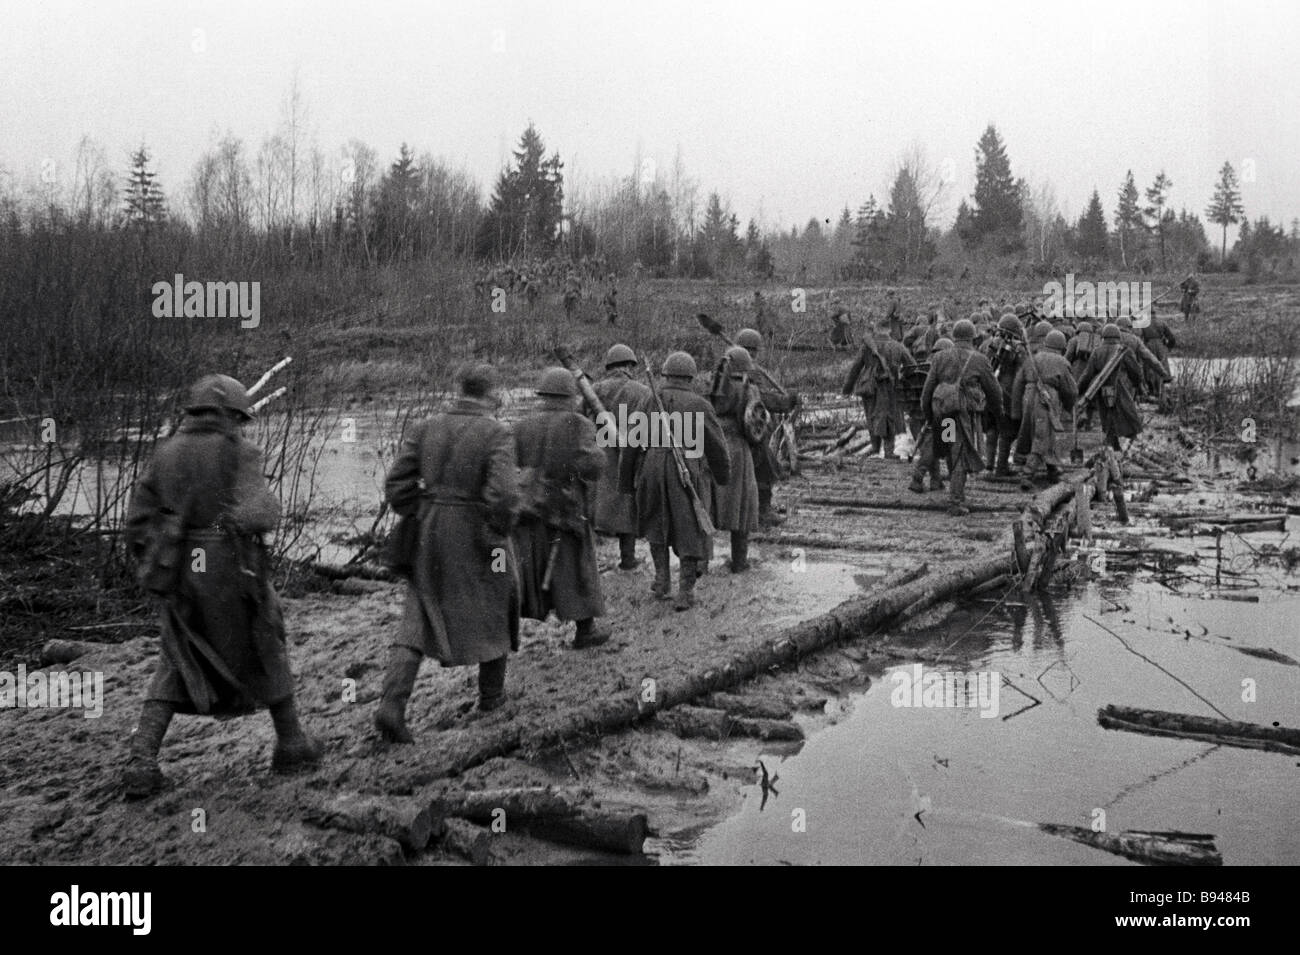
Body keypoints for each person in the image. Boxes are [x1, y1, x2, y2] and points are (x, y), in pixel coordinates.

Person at [122, 374, 322, 797]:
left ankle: (142, 760)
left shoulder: (165, 452)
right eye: (239, 418)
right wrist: (235, 520)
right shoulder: (239, 452)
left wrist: (158, 561)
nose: (240, 426)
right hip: (232, 569)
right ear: (231, 415)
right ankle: (291, 744)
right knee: (265, 642)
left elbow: (137, 521)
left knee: (178, 656)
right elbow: (261, 514)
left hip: (179, 570)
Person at [375, 364, 521, 743]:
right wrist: (499, 529)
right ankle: (492, 697)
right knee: (498, 595)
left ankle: (392, 706)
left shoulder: (425, 427)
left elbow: (396, 486)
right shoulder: (497, 432)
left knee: (419, 612)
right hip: (479, 533)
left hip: (429, 531)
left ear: (461, 389)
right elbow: (504, 495)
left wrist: (423, 511)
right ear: (493, 392)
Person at [621, 351, 730, 611]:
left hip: (652, 468)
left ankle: (661, 581)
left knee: (655, 523)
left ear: (666, 374)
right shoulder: (700, 404)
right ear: (691, 377)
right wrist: (722, 475)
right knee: (690, 528)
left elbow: (631, 444)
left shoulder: (649, 399)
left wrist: (626, 481)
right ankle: (685, 592)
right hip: (686, 469)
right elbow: (716, 446)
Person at [513, 368, 610, 650]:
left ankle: (509, 632)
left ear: (542, 394)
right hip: (566, 509)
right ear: (570, 395)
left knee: (527, 569)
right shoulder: (578, 424)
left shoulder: (521, 425)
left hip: (529, 509)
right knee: (577, 569)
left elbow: (510, 465)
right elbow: (593, 467)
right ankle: (585, 630)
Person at [920, 320, 1003, 516]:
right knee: (961, 455)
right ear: (973, 337)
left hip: (944, 413)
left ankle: (957, 494)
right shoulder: (980, 360)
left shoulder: (940, 357)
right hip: (965, 416)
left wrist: (930, 415)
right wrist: (998, 414)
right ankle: (955, 501)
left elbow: (927, 391)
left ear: (955, 336)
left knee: (951, 450)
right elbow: (994, 391)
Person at [590, 344, 651, 569]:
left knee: (594, 504)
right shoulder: (642, 391)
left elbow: (579, 419)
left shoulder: (594, 390)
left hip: (599, 454)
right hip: (629, 455)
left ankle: (590, 561)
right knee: (627, 506)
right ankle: (628, 558)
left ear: (609, 366)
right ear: (628, 366)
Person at [735, 327, 796, 526]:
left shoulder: (726, 370)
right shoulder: (749, 373)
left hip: (737, 430)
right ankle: (763, 511)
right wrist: (786, 402)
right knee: (766, 469)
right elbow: (761, 401)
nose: (752, 354)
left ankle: (753, 510)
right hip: (749, 433)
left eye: (753, 350)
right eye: (750, 350)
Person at [709, 346, 762, 573]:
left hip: (712, 446)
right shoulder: (749, 390)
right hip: (738, 450)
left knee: (708, 503)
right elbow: (754, 424)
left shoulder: (711, 387)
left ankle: (701, 563)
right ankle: (739, 563)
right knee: (742, 507)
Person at [1010, 330, 1078, 489]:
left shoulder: (1032, 358)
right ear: (1061, 346)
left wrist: (1016, 411)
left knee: (1038, 432)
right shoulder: (1061, 362)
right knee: (1042, 436)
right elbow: (1070, 391)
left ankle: (1053, 470)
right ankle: (1027, 474)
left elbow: (1018, 383)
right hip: (1046, 398)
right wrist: (1068, 406)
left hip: (1028, 397)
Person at [841, 322, 916, 458]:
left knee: (872, 416)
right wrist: (902, 377)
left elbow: (855, 368)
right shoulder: (898, 346)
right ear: (889, 330)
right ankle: (888, 451)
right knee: (889, 416)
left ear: (876, 330)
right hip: (891, 387)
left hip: (869, 388)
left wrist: (847, 388)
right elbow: (912, 366)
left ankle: (875, 448)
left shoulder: (867, 346)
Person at [1077, 324, 1144, 451]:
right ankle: (1126, 447)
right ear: (1118, 336)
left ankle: (1112, 446)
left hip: (1100, 388)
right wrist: (1137, 384)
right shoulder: (1124, 350)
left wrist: (1078, 389)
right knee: (1129, 417)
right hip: (1119, 387)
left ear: (1104, 336)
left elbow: (1087, 374)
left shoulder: (1097, 351)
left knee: (1106, 417)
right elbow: (1136, 372)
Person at [980, 314, 1025, 476]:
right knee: (1007, 431)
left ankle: (989, 465)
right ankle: (1002, 467)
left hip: (988, 391)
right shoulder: (1019, 348)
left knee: (991, 428)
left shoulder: (988, 344)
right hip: (1007, 394)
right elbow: (1022, 373)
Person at [908, 337, 953, 494]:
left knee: (932, 446)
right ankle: (918, 477)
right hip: (943, 413)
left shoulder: (924, 367)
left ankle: (936, 480)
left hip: (920, 415)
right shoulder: (945, 367)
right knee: (940, 446)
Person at [1140, 311, 1178, 400]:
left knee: (1149, 367)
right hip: (1161, 346)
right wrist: (1169, 347)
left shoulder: (1143, 324)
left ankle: (1152, 390)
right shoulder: (1162, 323)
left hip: (1148, 345)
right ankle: (1163, 391)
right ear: (1155, 314)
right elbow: (1171, 338)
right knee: (1162, 367)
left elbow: (1140, 336)